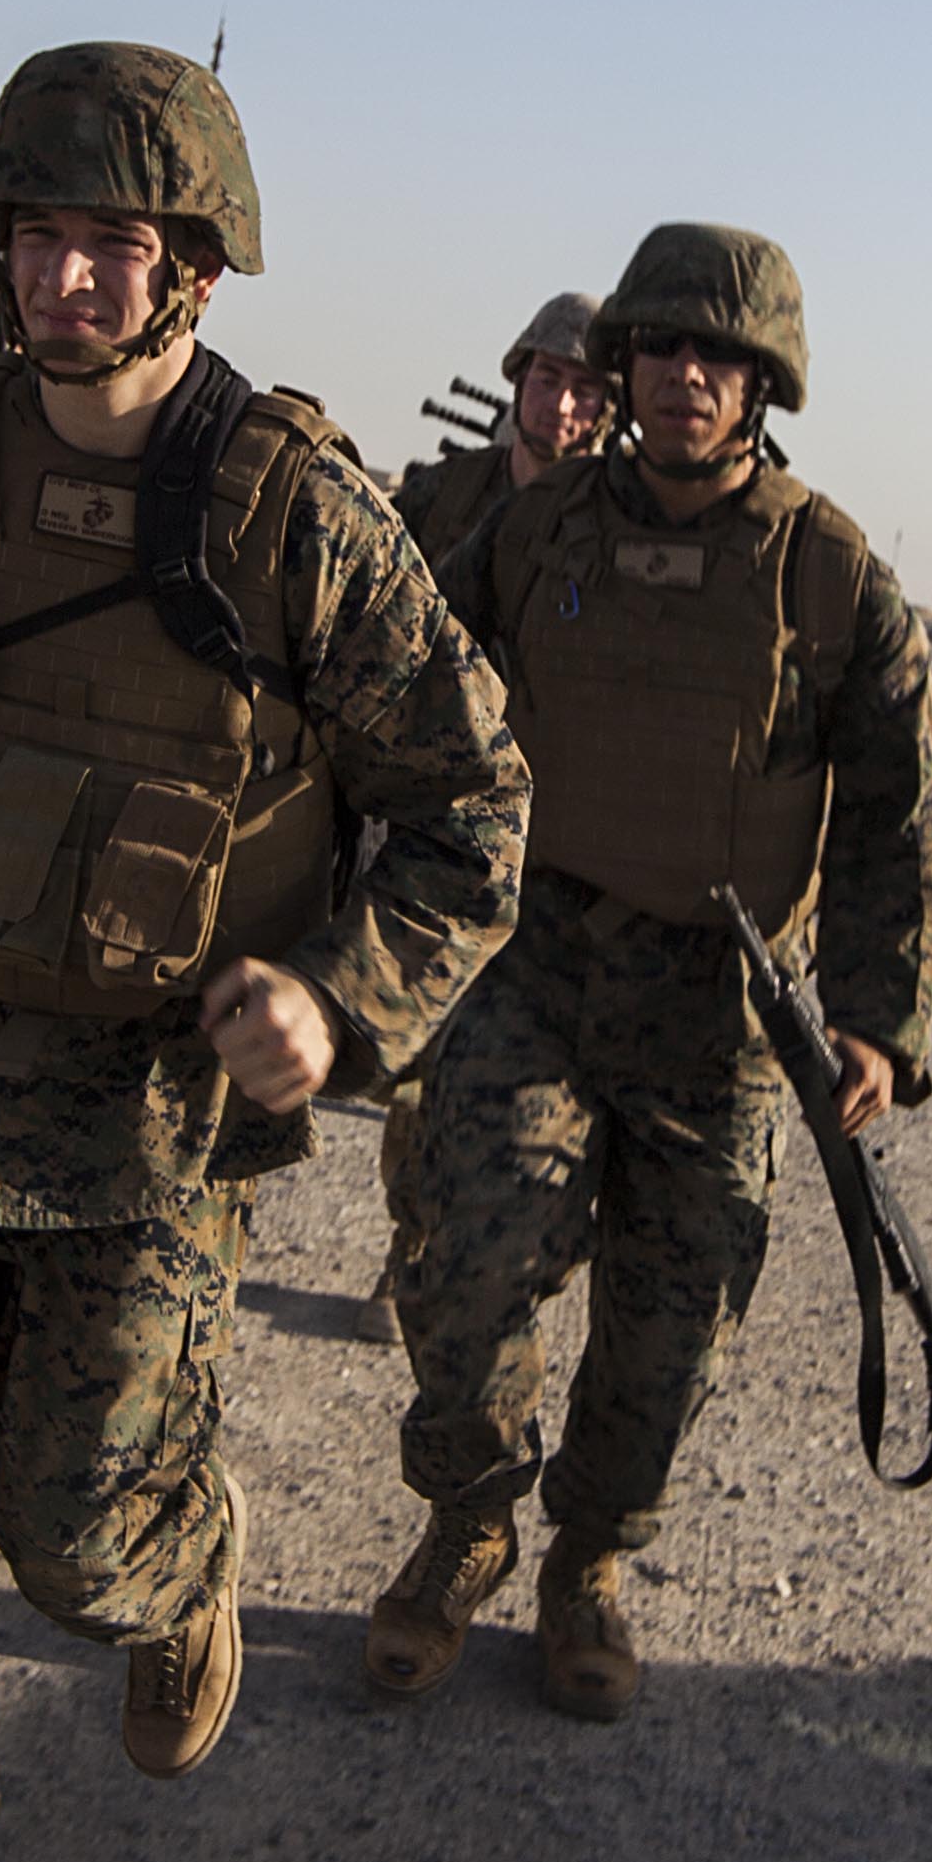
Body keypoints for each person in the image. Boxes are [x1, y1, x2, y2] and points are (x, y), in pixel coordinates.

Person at [0, 42, 529, 1862]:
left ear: (193, 263)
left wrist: (337, 999)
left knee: (69, 1521)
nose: (74, 282)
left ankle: (183, 1570)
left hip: (142, 1097)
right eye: (43, 238)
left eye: (118, 243)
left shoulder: (289, 513)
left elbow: (472, 805)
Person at [365, 224, 932, 1721]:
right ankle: (469, 1520)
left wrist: (879, 1021)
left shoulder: (828, 574)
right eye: (661, 349)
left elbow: (896, 808)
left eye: (719, 358)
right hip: (534, 966)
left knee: (670, 1322)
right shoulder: (533, 529)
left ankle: (590, 1562)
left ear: (763, 384)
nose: (685, 378)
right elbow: (410, 700)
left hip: (723, 1013)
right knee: (464, 1262)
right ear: (619, 362)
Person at [353, 290, 615, 1344]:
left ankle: (479, 1255)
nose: (560, 406)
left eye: (585, 389)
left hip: (553, 839)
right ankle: (411, 1239)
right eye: (547, 380)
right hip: (438, 817)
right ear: (517, 384)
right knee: (418, 1060)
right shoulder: (444, 494)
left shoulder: (609, 516)